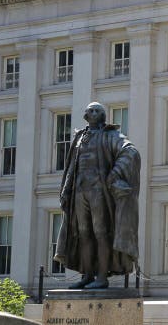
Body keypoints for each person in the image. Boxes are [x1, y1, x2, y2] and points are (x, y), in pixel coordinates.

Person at [54, 102, 140, 289]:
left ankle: (101, 277)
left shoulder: (111, 135)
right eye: (90, 110)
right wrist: (66, 189)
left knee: (100, 233)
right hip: (79, 190)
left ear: (103, 115)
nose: (94, 113)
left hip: (98, 191)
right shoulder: (79, 137)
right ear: (85, 115)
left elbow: (130, 151)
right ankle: (87, 275)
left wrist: (115, 174)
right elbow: (71, 167)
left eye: (98, 111)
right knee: (83, 233)